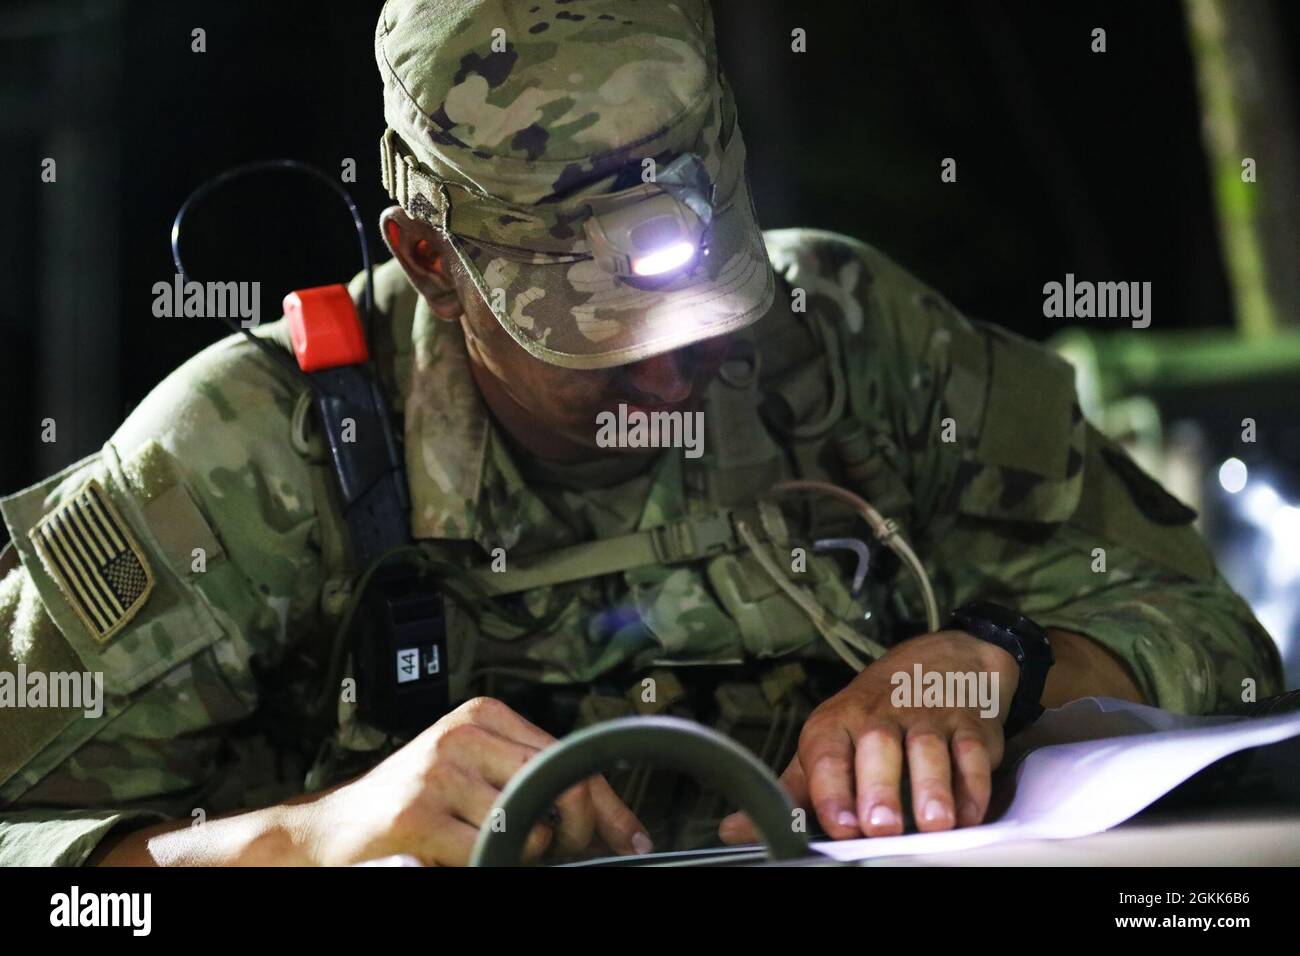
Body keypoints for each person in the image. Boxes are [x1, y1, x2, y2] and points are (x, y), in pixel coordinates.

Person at [0, 0, 1281, 867]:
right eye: (594, 336)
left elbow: (1220, 643)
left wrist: (998, 659)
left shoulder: (851, 339)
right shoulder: (242, 460)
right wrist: (301, 840)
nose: (674, 372)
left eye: (709, 304)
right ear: (429, 261)